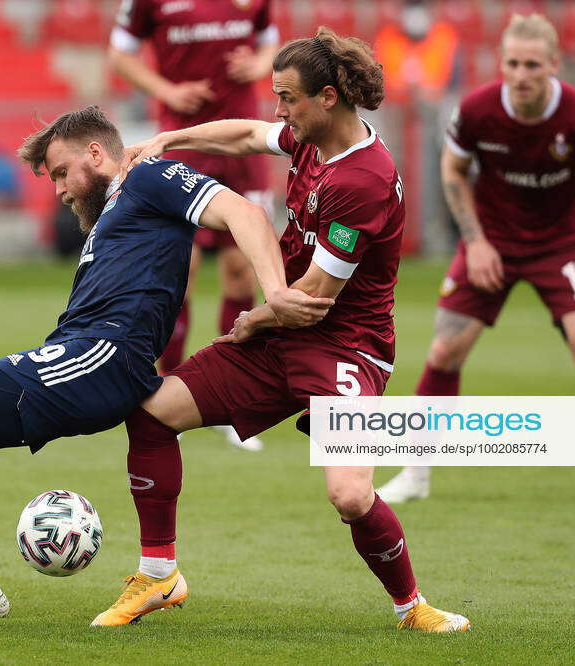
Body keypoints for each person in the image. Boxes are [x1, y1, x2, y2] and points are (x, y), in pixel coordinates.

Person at [0, 106, 331, 631]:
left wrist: (275, 293)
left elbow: (246, 214)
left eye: (60, 172)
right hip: (84, 353)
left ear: (96, 154)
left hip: (101, 357)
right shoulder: (120, 205)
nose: (58, 190)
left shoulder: (149, 175)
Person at [90, 28, 471, 633]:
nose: (279, 110)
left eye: (288, 98)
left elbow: (314, 301)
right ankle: (158, 575)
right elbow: (244, 133)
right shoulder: (313, 138)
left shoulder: (363, 181)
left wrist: (249, 321)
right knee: (153, 412)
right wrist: (170, 138)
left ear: (327, 97)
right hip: (280, 337)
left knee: (349, 495)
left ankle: (411, 607)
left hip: (347, 346)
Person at [377, 14, 575, 507]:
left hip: (561, 244)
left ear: (553, 65)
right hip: (492, 243)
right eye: (512, 63)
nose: (521, 74)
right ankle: (415, 473)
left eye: (532, 64)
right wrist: (475, 241)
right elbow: (453, 170)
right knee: (444, 352)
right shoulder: (479, 110)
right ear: (500, 63)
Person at [108, 0, 280, 452]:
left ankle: (228, 403)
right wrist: (166, 90)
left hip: (242, 141)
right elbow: (119, 53)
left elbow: (269, 42)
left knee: (241, 269)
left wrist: (259, 64)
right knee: (180, 271)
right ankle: (166, 388)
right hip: (183, 139)